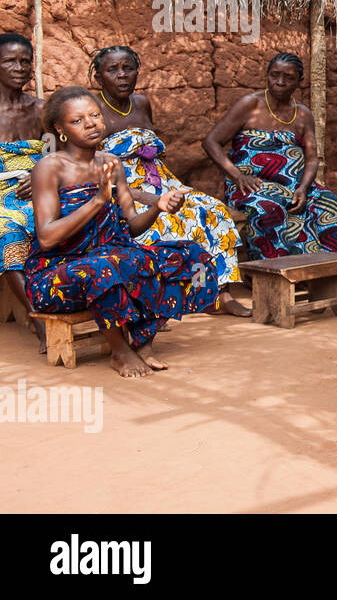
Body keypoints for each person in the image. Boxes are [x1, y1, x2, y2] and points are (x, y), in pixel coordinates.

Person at [26, 87, 219, 378]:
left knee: (195, 258)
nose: (90, 123)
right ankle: (119, 350)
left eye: (93, 115)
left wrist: (158, 207)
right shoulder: (49, 168)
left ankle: (144, 341)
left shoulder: (111, 163)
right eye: (77, 121)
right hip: (58, 275)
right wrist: (97, 202)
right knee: (107, 268)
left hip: (115, 259)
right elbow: (47, 237)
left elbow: (131, 226)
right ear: (59, 129)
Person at [92, 45, 250, 316]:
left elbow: (153, 154)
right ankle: (172, 296)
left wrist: (165, 191)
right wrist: (149, 198)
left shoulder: (141, 103)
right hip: (122, 189)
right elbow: (92, 167)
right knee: (168, 220)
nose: (122, 75)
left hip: (163, 180)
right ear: (98, 77)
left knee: (213, 212)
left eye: (128, 69)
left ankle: (215, 293)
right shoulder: (92, 111)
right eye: (113, 70)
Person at [202, 52, 337, 259]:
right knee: (269, 208)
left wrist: (302, 188)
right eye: (275, 75)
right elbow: (211, 142)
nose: (280, 82)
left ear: (300, 81)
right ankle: (272, 271)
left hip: (296, 185)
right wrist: (237, 176)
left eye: (288, 77)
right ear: (267, 76)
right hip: (251, 185)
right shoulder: (250, 104)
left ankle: (325, 270)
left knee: (330, 204)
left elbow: (311, 159)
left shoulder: (302, 114)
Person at [0, 33, 46, 349]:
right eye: (10, 61)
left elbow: (63, 152)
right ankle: (39, 319)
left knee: (84, 214)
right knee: (8, 228)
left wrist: (41, 174)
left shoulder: (41, 109)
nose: (20, 67)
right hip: (2, 195)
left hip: (40, 187)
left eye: (25, 61)